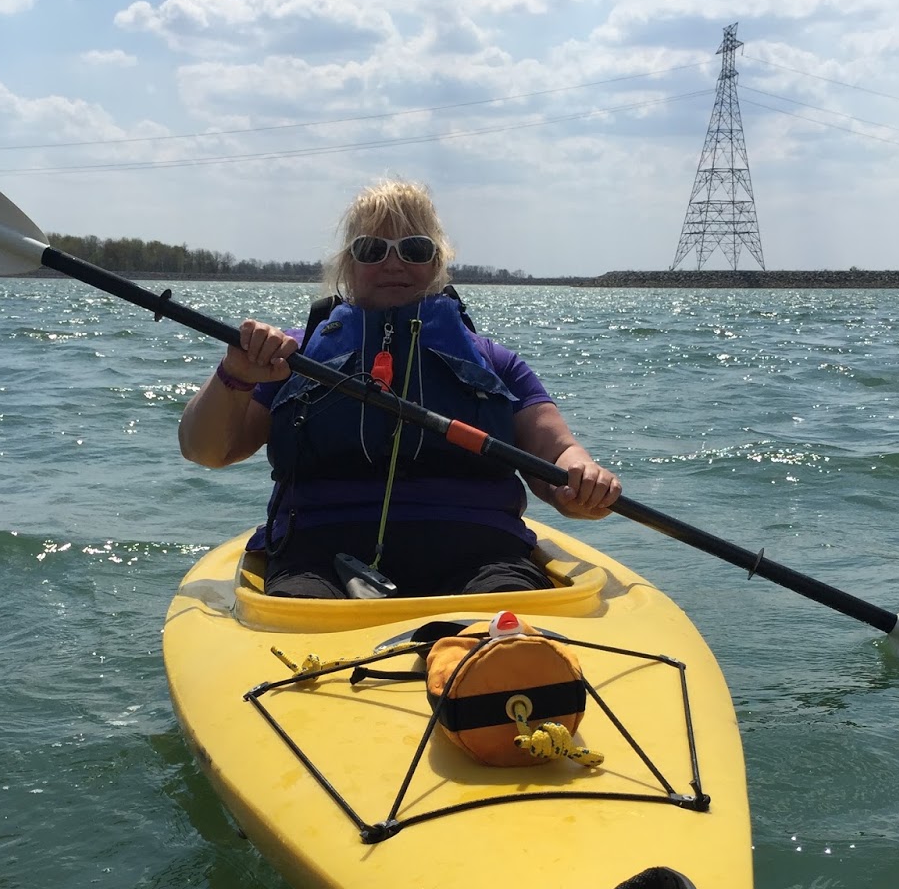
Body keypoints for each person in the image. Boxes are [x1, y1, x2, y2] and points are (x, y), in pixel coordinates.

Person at [178, 179, 622, 598]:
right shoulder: (290, 357)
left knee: (508, 622)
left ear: (436, 261)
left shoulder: (496, 361)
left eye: (413, 248)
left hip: (481, 552)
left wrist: (583, 478)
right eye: (372, 249)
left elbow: (557, 453)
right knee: (304, 617)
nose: (393, 264)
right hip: (318, 554)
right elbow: (207, 451)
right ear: (349, 264)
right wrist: (235, 374)